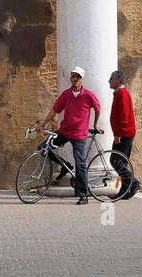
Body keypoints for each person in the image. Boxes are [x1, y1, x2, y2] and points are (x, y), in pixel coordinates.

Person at [39, 67, 101, 206]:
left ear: (82, 79)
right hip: (65, 131)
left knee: (80, 164)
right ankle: (65, 165)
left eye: (78, 77)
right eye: (73, 76)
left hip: (79, 134)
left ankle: (83, 195)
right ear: (70, 78)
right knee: (44, 147)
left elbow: (98, 108)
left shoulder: (88, 95)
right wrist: (43, 124)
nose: (75, 79)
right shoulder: (66, 94)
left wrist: (96, 124)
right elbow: (55, 110)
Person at [109, 69, 140, 200]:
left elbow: (123, 117)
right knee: (120, 161)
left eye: (111, 78)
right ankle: (125, 188)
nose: (109, 81)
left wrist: (118, 135)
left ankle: (133, 183)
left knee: (115, 161)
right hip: (125, 132)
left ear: (118, 80)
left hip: (124, 133)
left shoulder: (121, 93)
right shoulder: (119, 93)